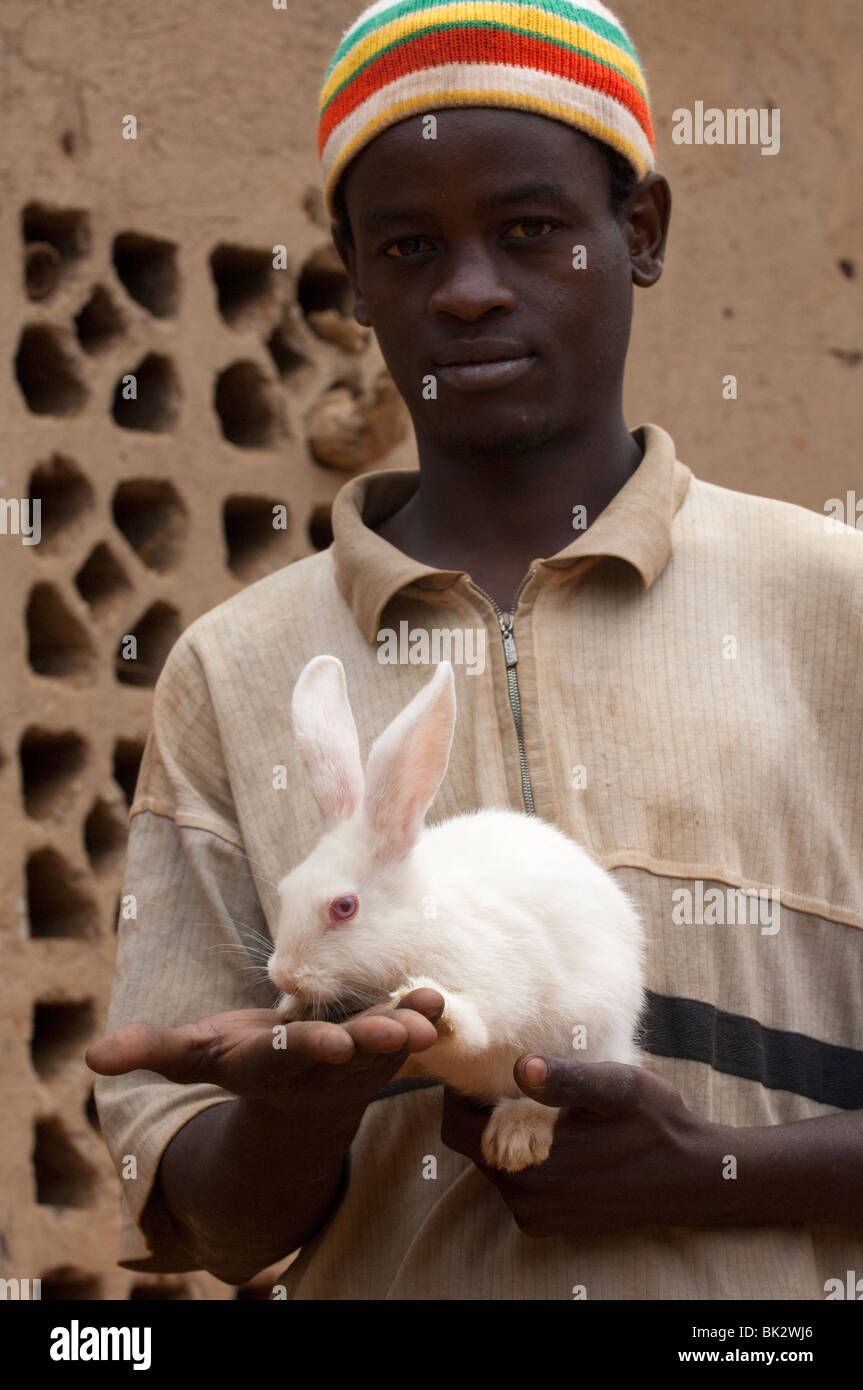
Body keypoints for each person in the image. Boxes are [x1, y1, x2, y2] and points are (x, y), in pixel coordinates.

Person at [87, 0, 863, 1299]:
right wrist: (298, 1101)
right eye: (407, 244)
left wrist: (718, 1164)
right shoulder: (232, 671)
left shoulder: (836, 605)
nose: (468, 287)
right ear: (352, 277)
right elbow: (198, 1222)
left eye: (531, 229)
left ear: (643, 230)